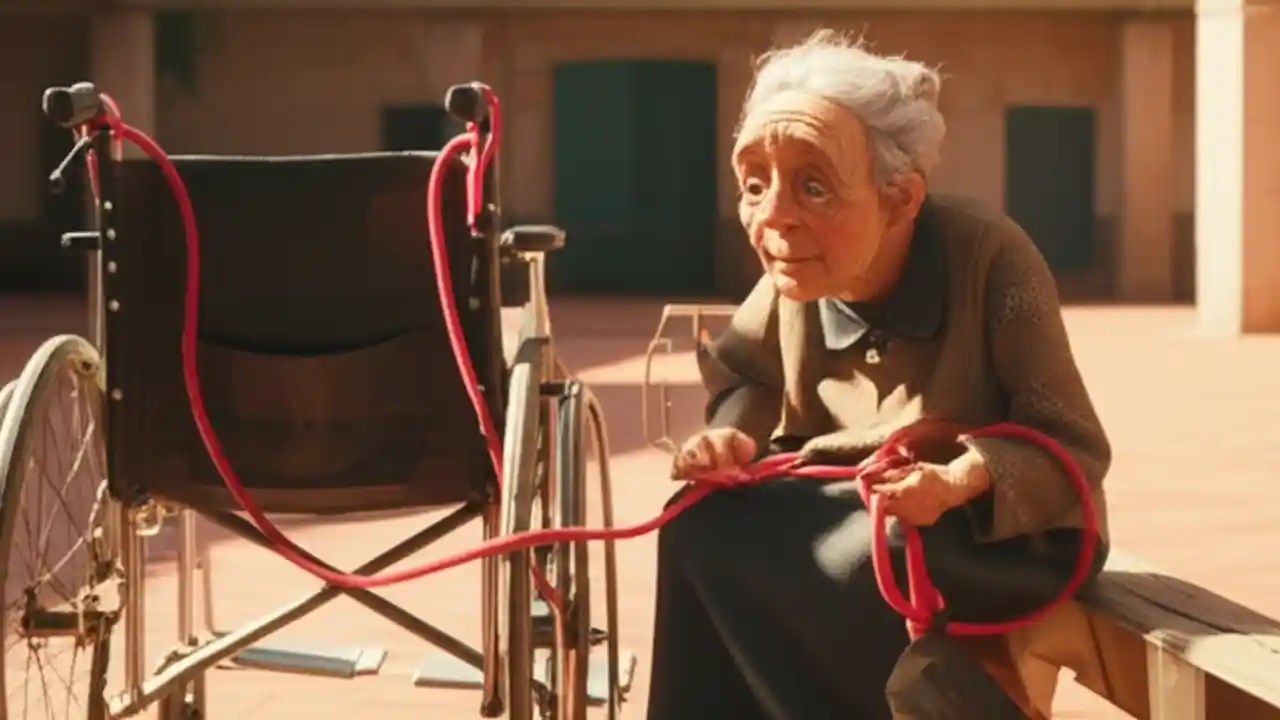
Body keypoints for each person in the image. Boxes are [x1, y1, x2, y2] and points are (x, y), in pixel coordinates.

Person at [646, 30, 1112, 720]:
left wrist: (957, 480)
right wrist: (729, 437)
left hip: (998, 526)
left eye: (814, 186)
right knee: (695, 527)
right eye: (753, 185)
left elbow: (1069, 441)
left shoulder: (990, 256)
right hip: (848, 495)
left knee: (865, 557)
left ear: (902, 197)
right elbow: (749, 380)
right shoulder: (794, 276)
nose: (773, 215)